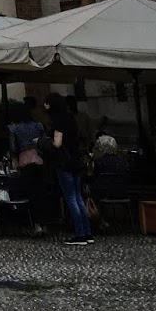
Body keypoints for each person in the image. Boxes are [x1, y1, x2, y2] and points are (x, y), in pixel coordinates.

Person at [46, 93, 92, 246]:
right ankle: (87, 232)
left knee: (71, 198)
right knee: (78, 197)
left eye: (47, 103)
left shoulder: (58, 120)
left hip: (64, 163)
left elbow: (57, 143)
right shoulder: (71, 118)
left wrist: (44, 142)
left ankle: (80, 234)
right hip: (75, 161)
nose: (45, 106)